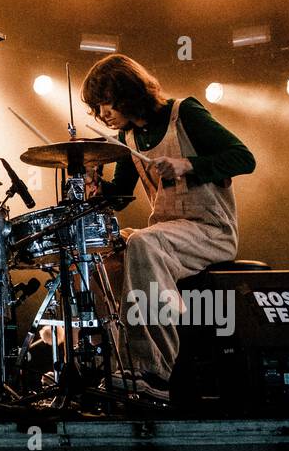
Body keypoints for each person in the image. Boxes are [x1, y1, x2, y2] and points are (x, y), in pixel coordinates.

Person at [80, 54, 255, 401]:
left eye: (105, 102)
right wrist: (100, 193)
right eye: (96, 107)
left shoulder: (184, 114)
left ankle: (155, 370)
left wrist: (187, 164)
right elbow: (121, 194)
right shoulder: (127, 137)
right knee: (108, 251)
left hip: (210, 230)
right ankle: (119, 362)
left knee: (143, 244)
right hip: (168, 231)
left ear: (127, 91)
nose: (102, 114)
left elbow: (244, 158)